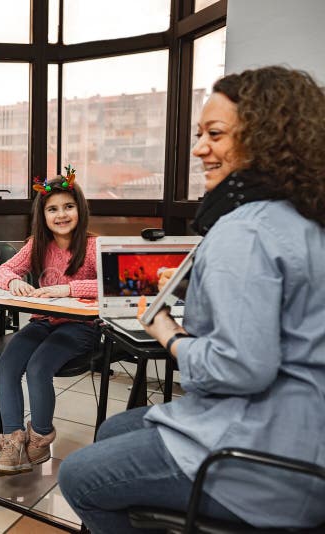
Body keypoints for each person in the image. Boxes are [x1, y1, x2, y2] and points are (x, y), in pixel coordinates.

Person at [58, 65, 325, 532]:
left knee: (79, 475)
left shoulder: (243, 231)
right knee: (114, 428)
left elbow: (240, 368)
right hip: (307, 435)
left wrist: (169, 333)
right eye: (199, 133)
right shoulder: (302, 220)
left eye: (215, 134)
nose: (199, 148)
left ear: (266, 139)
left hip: (266, 463)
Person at [0, 168, 99, 477]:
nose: (61, 214)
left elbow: (110, 285)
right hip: (41, 322)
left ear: (80, 209)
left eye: (68, 206)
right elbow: (1, 270)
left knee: (38, 368)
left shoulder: (91, 247)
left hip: (79, 327)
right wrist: (13, 284)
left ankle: (40, 436)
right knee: (7, 364)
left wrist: (69, 288)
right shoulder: (37, 244)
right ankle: (12, 442)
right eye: (52, 209)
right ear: (43, 215)